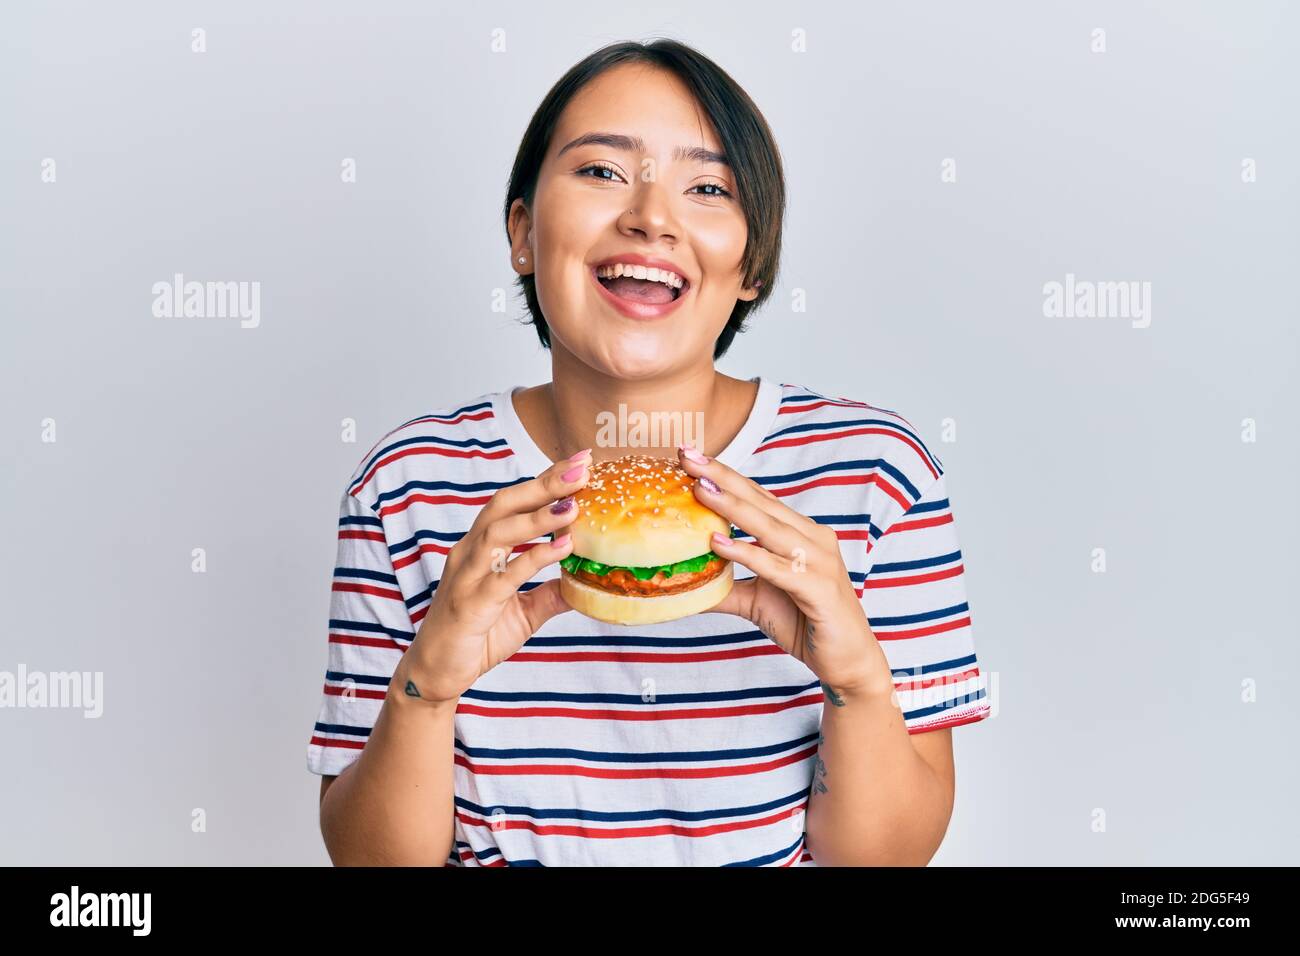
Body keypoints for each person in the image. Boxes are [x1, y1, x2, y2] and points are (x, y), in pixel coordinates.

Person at [307, 39, 990, 866]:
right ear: (522, 231)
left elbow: (883, 860)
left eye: (707, 188)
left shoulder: (878, 475)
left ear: (753, 267)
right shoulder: (406, 485)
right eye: (601, 171)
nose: (652, 217)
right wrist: (424, 690)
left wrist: (856, 681)